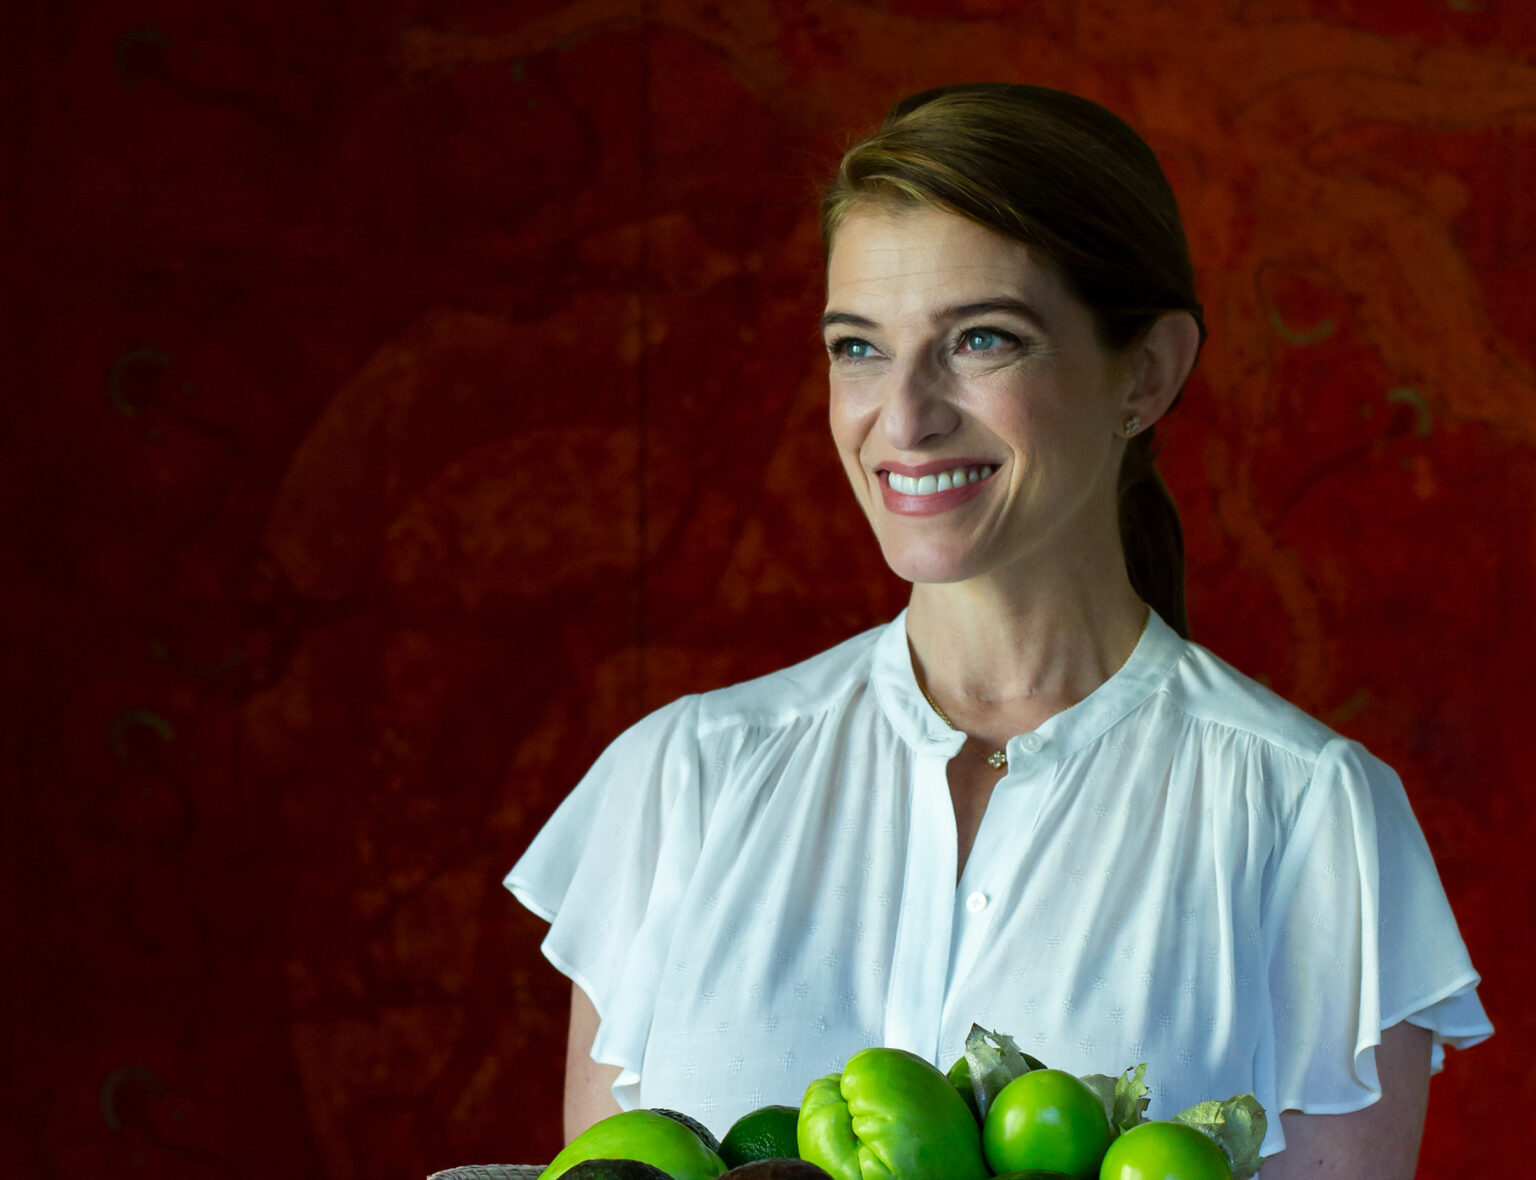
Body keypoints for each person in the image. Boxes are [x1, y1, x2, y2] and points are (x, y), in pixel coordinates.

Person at [506, 83, 1491, 1176]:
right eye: (858, 347)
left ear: (1148, 371)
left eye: (981, 339)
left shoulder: (1308, 817)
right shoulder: (680, 783)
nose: (904, 416)